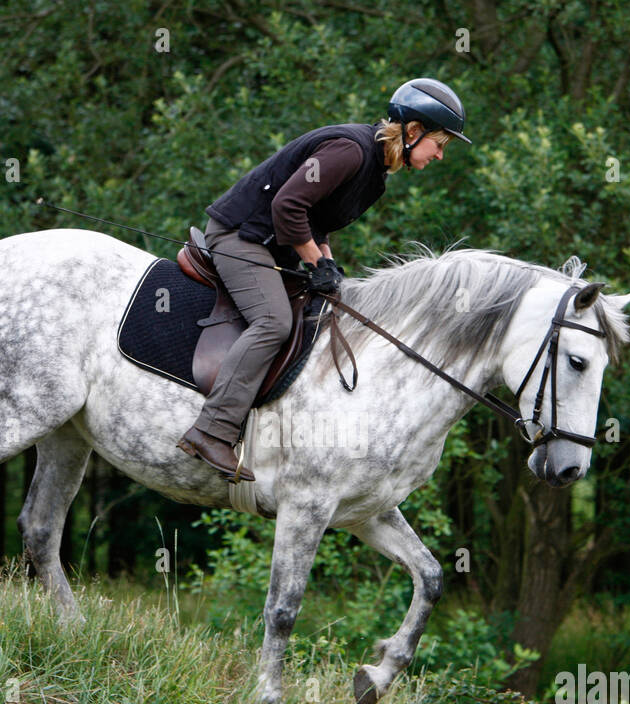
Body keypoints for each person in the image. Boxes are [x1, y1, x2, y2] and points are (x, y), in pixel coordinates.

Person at [176, 78, 471, 481]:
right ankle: (211, 430)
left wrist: (326, 264)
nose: (440, 155)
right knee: (274, 322)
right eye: (440, 144)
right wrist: (315, 262)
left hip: (272, 247)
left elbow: (316, 220)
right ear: (414, 131)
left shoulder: (377, 173)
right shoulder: (350, 151)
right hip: (239, 237)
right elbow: (288, 206)